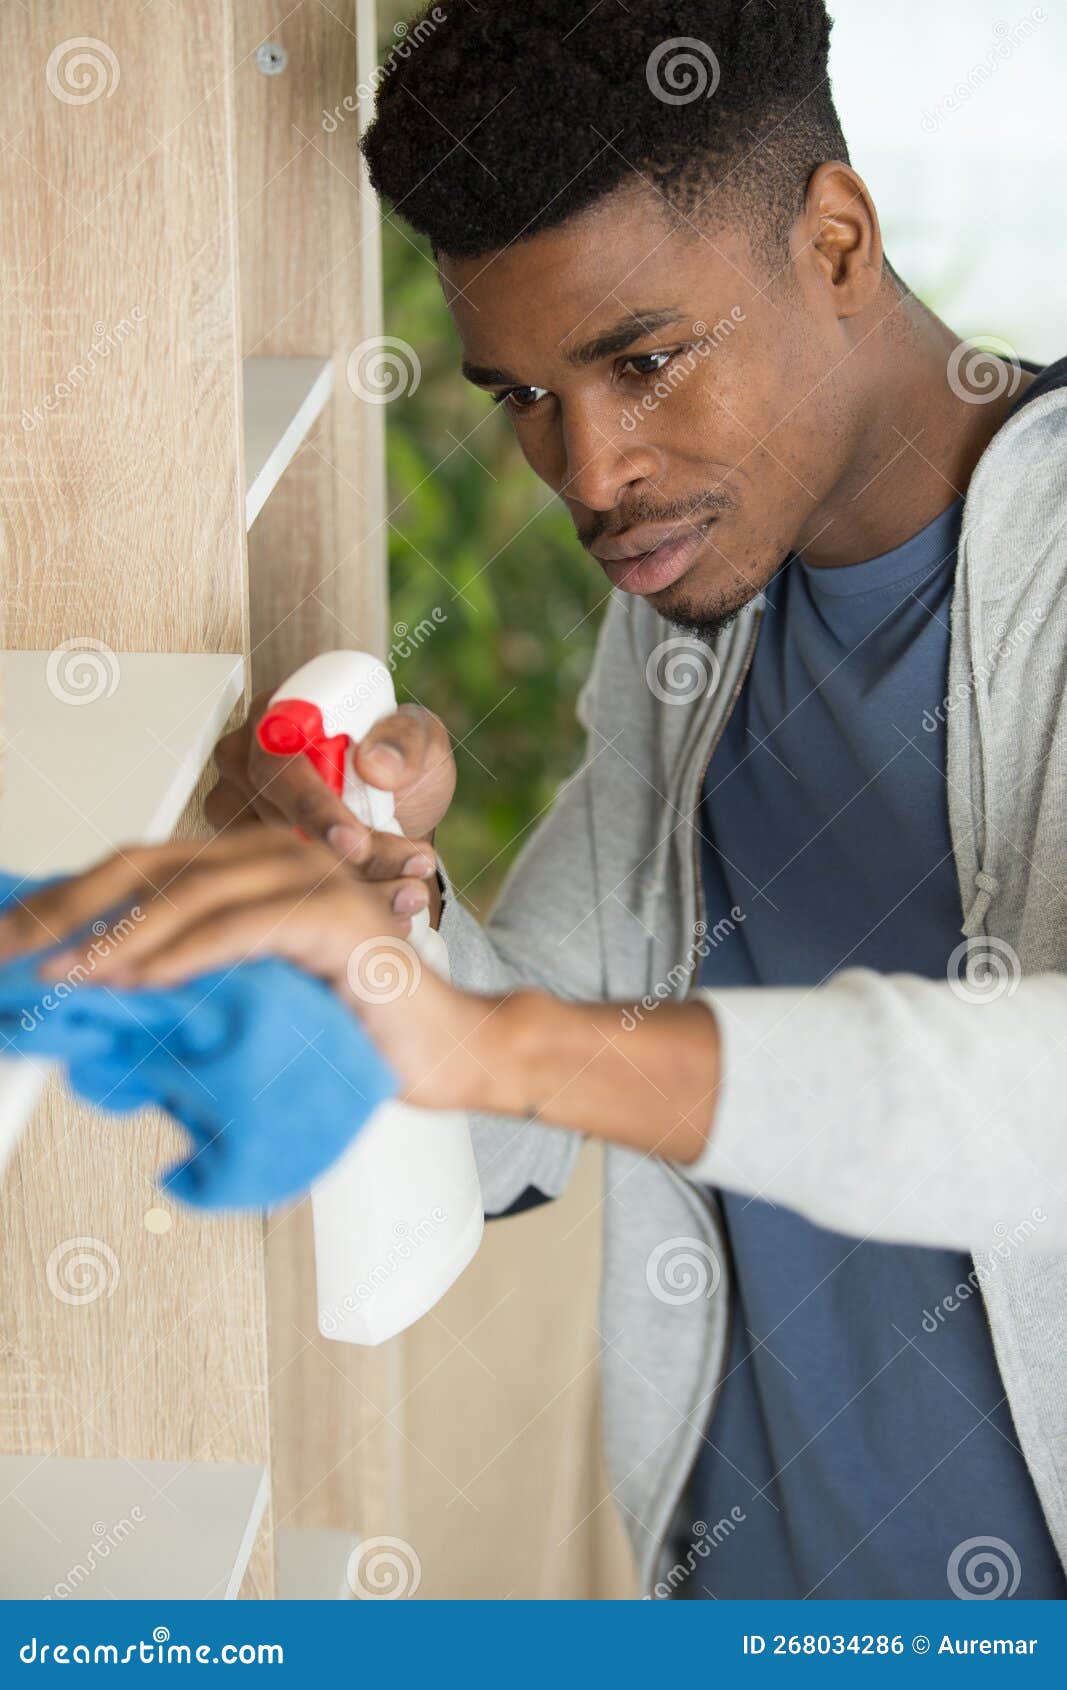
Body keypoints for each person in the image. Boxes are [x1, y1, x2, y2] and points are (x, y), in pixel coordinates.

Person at [7, 0, 1067, 1601]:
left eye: (644, 361)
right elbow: (530, 1108)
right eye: (522, 395)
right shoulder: (697, 613)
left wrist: (495, 1040)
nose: (587, 472)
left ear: (837, 244)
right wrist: (397, 903)